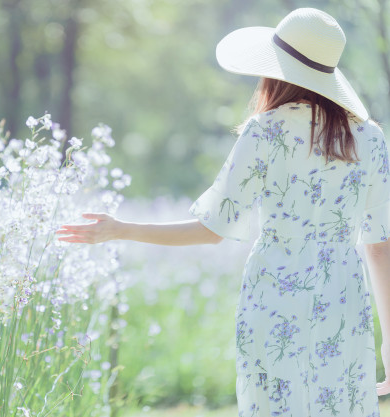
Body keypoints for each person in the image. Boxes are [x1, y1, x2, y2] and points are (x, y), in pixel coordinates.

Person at [56, 8, 390, 416]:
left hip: (274, 295)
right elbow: (379, 247)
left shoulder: (264, 131)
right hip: (343, 298)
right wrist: (389, 340)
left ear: (277, 71)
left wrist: (121, 228)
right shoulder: (371, 139)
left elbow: (211, 228)